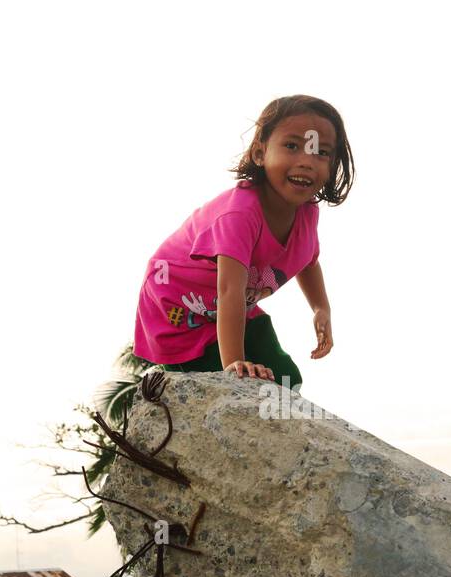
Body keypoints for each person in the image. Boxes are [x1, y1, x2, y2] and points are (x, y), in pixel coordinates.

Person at [132, 95, 355, 390]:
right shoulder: (240, 215)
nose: (307, 161)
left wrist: (320, 307)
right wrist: (233, 363)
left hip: (234, 306)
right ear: (260, 153)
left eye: (321, 152)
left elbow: (307, 259)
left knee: (286, 378)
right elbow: (228, 290)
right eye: (292, 146)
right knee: (226, 382)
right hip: (179, 310)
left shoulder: (306, 213)